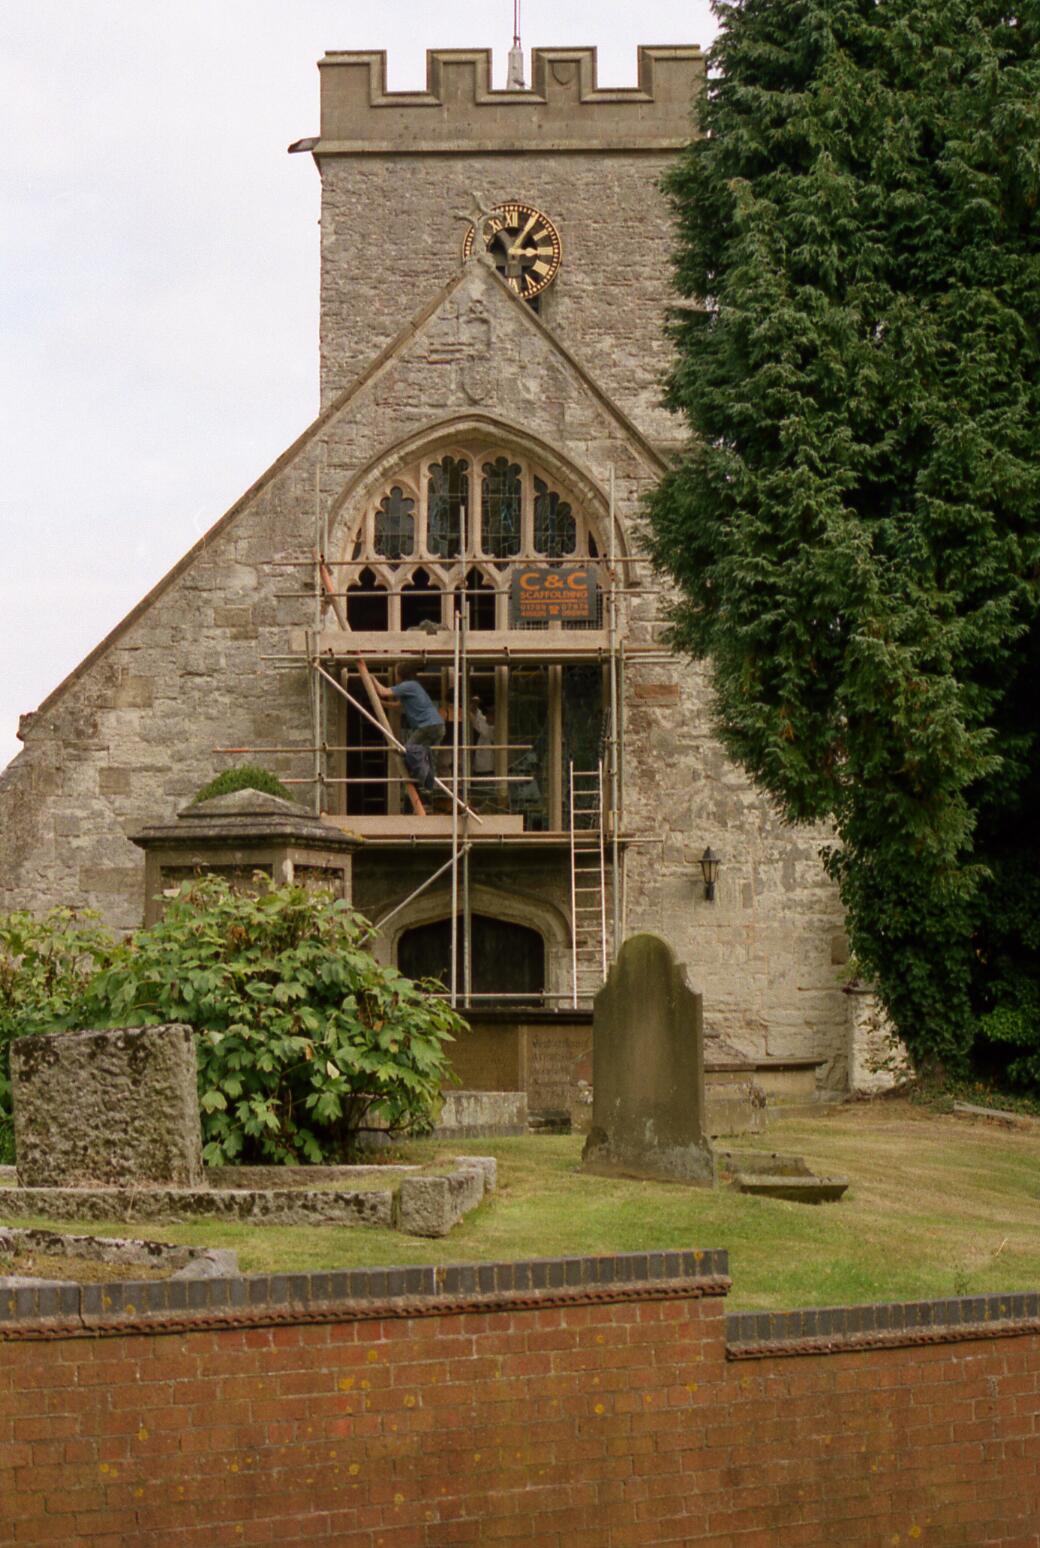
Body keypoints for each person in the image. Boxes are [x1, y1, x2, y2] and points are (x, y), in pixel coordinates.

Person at [370, 663, 445, 804]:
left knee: (408, 751)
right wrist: (380, 703)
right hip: (437, 726)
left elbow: (383, 691)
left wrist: (371, 677)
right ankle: (428, 790)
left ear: (400, 674)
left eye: (396, 673)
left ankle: (424, 788)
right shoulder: (414, 687)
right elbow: (398, 706)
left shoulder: (408, 685)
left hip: (427, 726)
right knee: (427, 758)